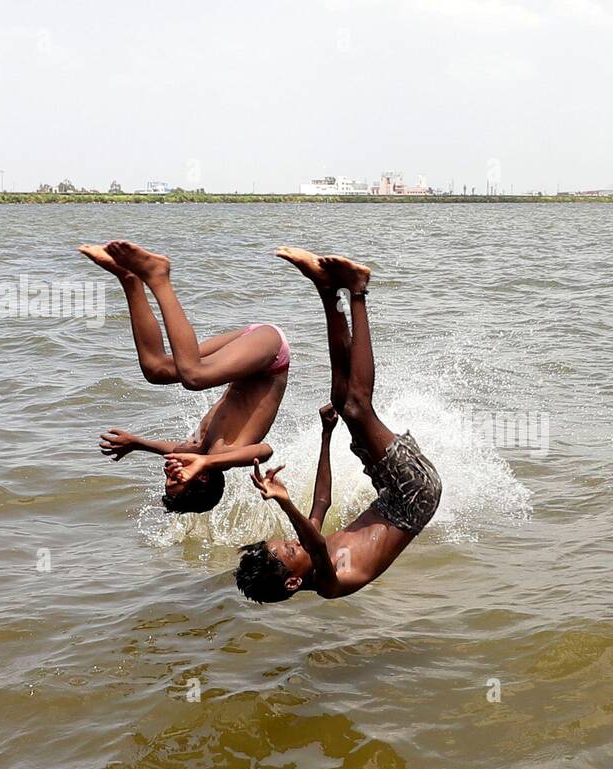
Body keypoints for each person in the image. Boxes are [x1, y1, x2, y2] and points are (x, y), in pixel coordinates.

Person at [234, 248, 441, 601]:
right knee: (357, 408)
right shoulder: (330, 584)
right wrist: (284, 502)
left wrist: (327, 434)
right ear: (293, 582)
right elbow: (314, 545)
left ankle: (328, 292)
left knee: (342, 400)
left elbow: (323, 499)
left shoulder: (309, 552)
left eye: (286, 541)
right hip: (414, 496)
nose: (294, 542)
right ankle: (357, 290)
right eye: (288, 550)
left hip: (390, 492)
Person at [78, 240, 290, 513]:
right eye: (176, 477)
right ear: (201, 475)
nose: (169, 469)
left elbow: (173, 449)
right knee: (193, 376)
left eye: (167, 477)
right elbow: (265, 451)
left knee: (157, 370)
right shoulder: (219, 456)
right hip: (270, 354)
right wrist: (207, 462)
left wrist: (137, 443)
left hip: (251, 349)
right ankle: (159, 277)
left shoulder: (199, 449)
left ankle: (129, 278)